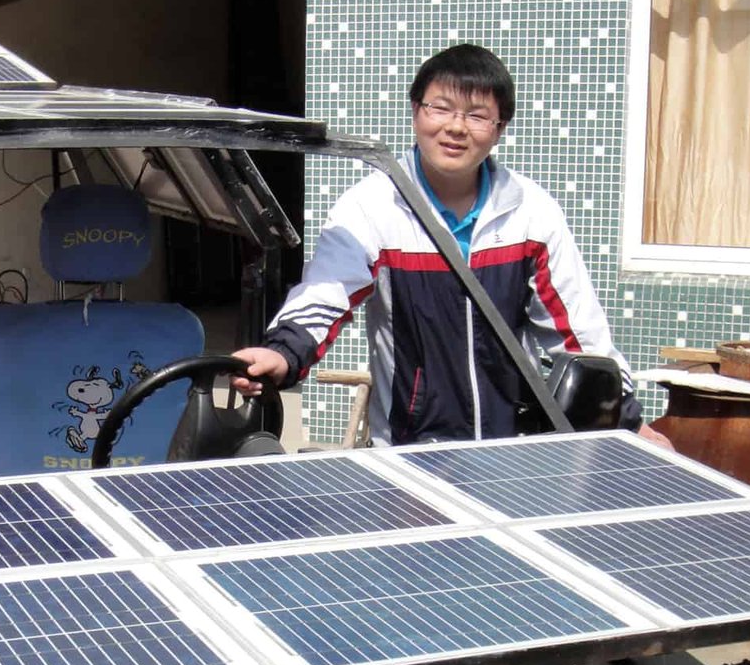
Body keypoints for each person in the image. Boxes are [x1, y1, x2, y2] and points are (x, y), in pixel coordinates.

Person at [233, 44, 667, 448]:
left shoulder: (531, 212)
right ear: (416, 112)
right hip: (409, 449)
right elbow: (325, 297)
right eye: (440, 108)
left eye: (478, 116)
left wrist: (629, 422)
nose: (456, 127)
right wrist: (282, 353)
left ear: (499, 130)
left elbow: (580, 335)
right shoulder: (371, 206)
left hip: (512, 453)